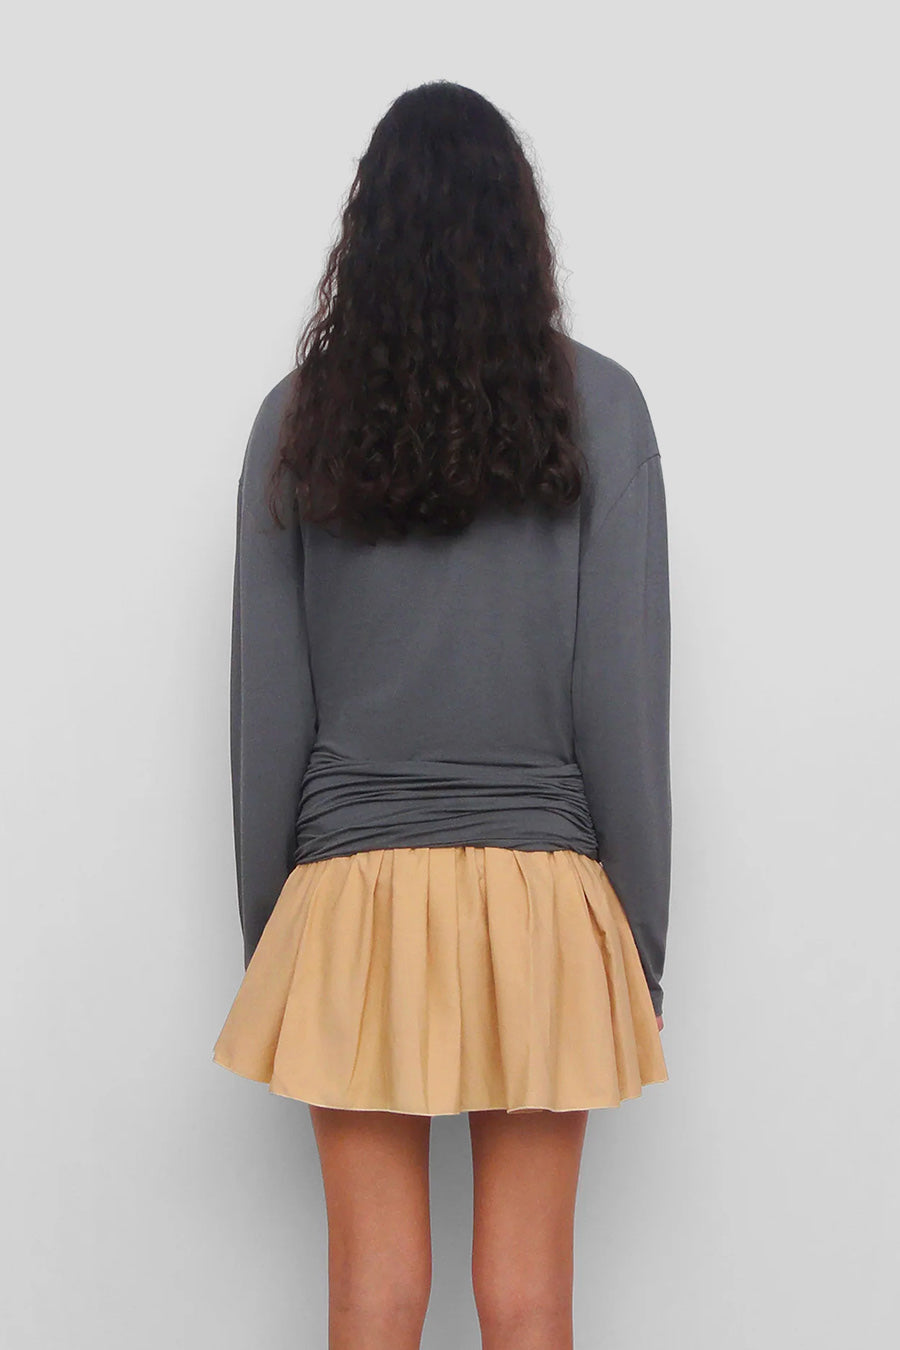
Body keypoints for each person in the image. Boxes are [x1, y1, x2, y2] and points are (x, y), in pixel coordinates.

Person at [212, 79, 672, 1350]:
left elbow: (266, 713)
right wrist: (637, 942)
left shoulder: (299, 421)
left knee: (372, 1296)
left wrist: (275, 937)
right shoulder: (603, 409)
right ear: (521, 227)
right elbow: (622, 697)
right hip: (545, 894)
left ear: (367, 231)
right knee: (529, 1300)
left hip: (349, 893)